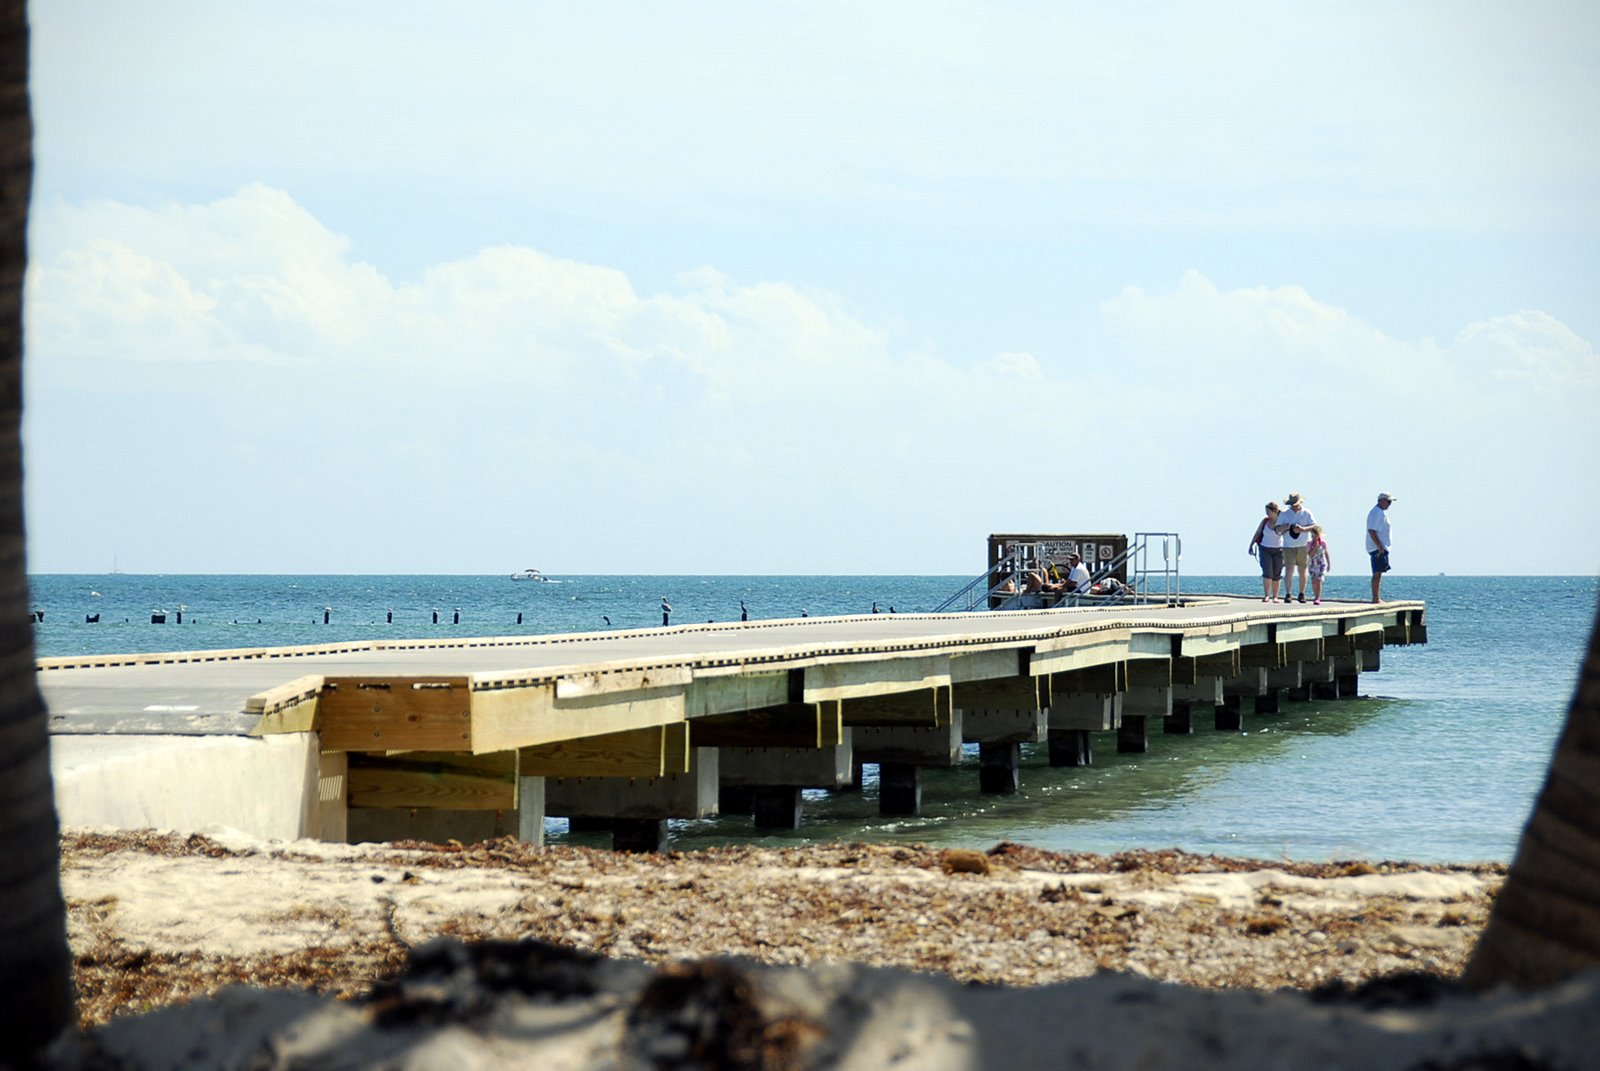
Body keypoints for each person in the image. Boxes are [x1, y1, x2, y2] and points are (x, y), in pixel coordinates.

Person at [1275, 492, 1316, 603]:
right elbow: (1277, 529)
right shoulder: (1284, 513)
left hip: (1302, 545)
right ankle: (1288, 594)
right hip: (1288, 545)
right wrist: (1285, 527)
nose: (1293, 506)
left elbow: (1314, 526)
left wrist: (1302, 529)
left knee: (1302, 570)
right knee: (1289, 569)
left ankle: (1301, 593)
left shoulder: (1306, 513)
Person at [1248, 502, 1284, 602]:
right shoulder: (1265, 521)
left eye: (1268, 511)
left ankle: (1275, 596)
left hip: (1279, 550)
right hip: (1265, 548)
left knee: (1277, 573)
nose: (1267, 514)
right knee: (1267, 572)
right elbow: (1258, 532)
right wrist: (1251, 545)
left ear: (1274, 511)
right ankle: (1267, 595)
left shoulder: (1282, 521)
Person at [1366, 492, 1396, 603]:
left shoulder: (1379, 513)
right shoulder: (1376, 513)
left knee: (1379, 572)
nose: (1389, 504)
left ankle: (1377, 597)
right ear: (1382, 500)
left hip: (1380, 547)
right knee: (1377, 572)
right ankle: (1375, 598)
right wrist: (1379, 545)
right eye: (1388, 502)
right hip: (1377, 548)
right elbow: (1371, 530)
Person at [1306, 524, 1332, 605]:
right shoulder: (1309, 544)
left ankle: (1318, 598)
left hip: (1321, 564)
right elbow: (1310, 554)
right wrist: (1315, 547)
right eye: (1312, 535)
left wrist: (1329, 564)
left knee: (1319, 581)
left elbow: (1326, 553)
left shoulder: (1323, 543)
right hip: (1312, 564)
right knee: (1314, 581)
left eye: (1315, 535)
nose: (1314, 537)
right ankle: (1315, 595)